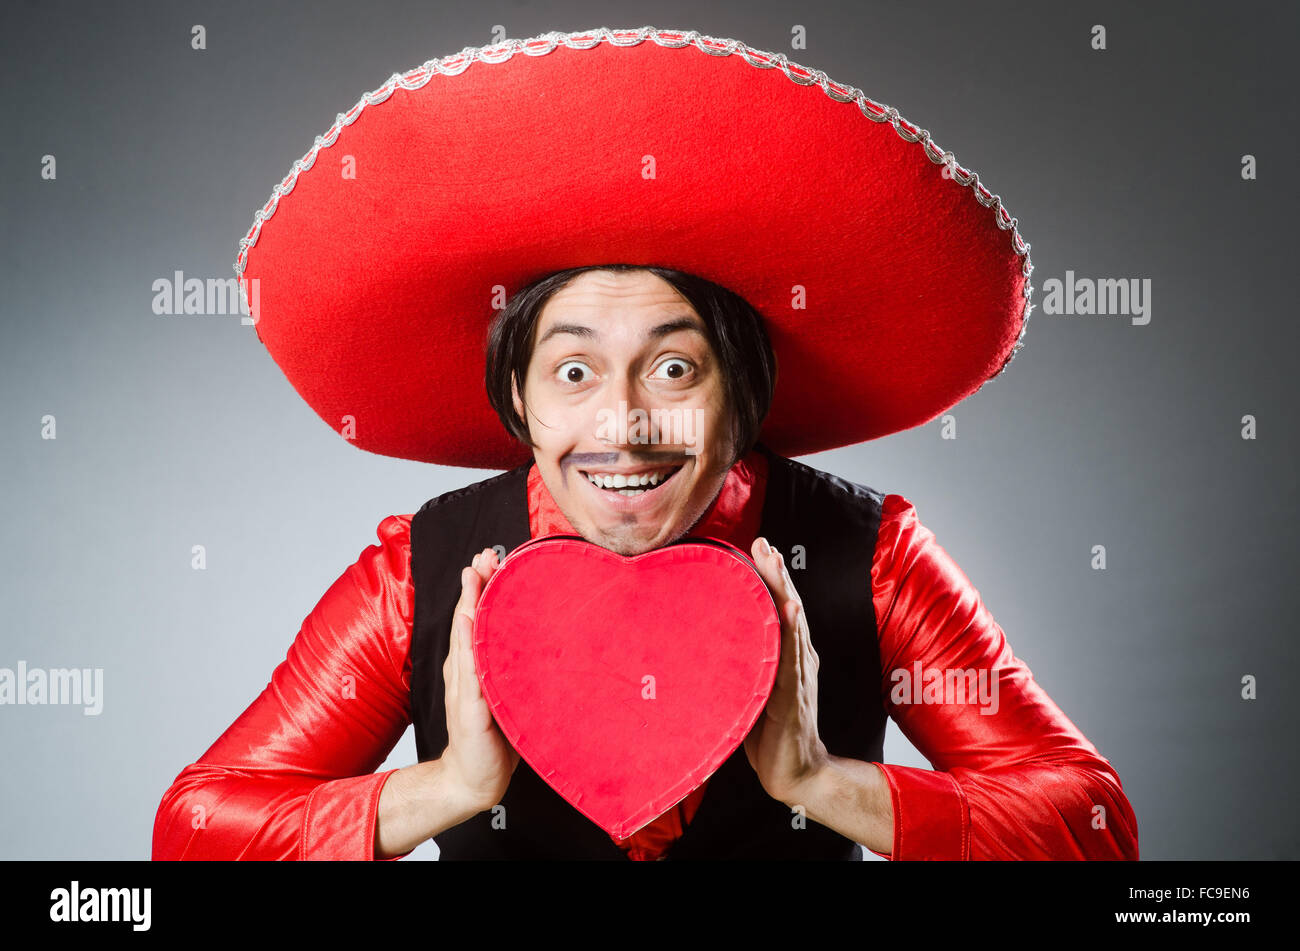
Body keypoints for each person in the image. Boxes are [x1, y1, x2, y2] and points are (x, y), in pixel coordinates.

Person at [152, 27, 1138, 860]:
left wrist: (819, 781)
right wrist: (446, 786)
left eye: (673, 370)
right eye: (573, 372)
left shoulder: (870, 559)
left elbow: (1090, 818)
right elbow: (195, 824)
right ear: (520, 404)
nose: (623, 426)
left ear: (742, 398)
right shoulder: (418, 574)